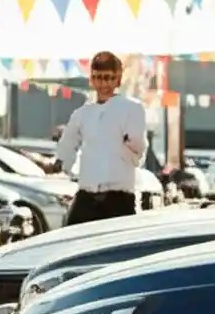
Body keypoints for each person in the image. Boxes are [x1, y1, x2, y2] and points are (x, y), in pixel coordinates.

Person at [55, 51, 148, 225]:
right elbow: (67, 145)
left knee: (118, 247)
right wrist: (60, 163)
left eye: (108, 77)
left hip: (119, 195)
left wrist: (129, 143)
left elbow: (138, 147)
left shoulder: (132, 108)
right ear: (91, 79)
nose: (103, 83)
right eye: (98, 77)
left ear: (117, 80)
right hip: (87, 194)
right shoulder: (82, 113)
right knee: (73, 241)